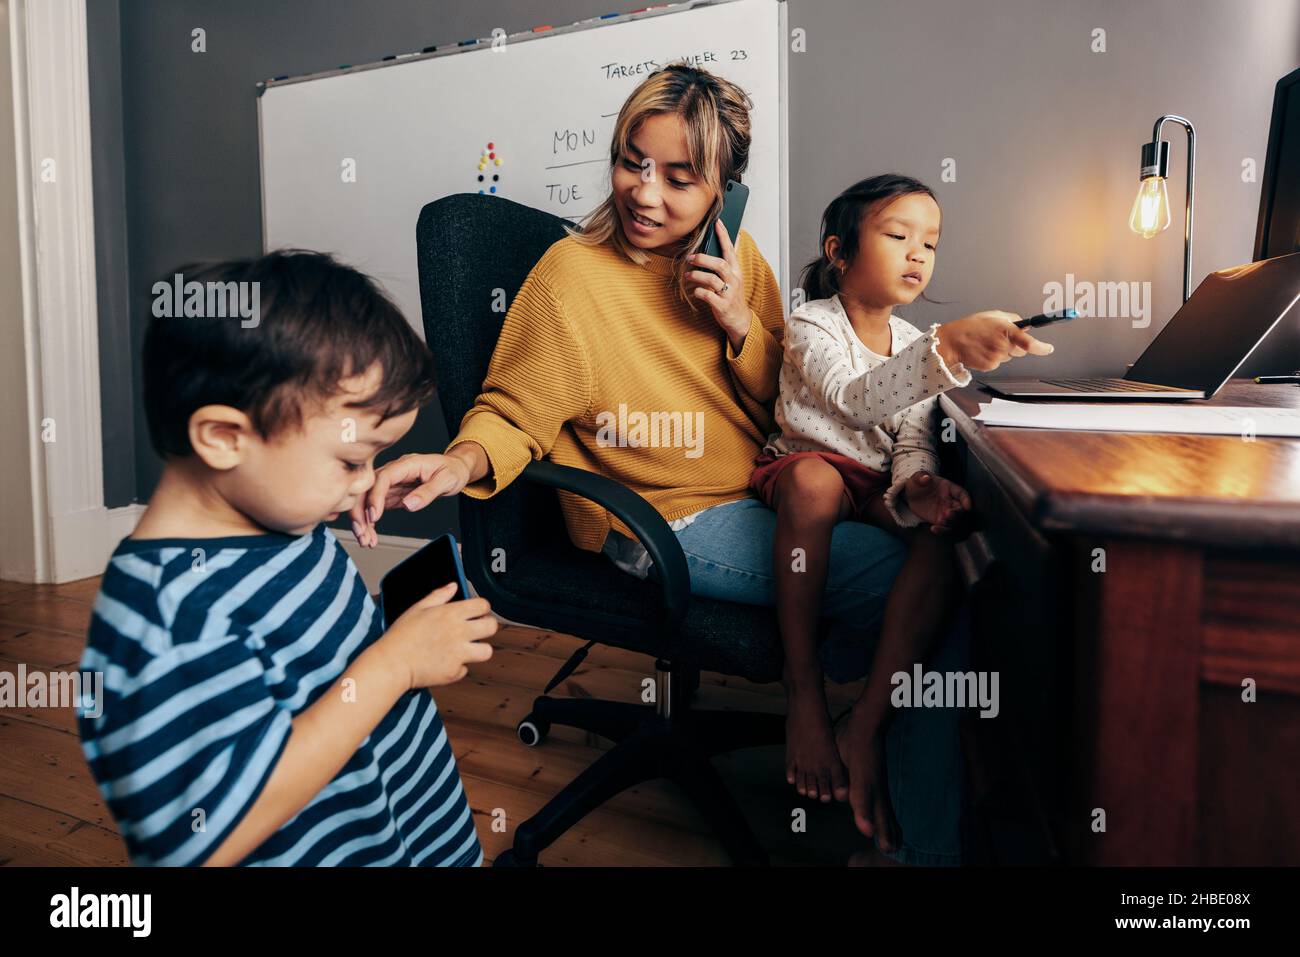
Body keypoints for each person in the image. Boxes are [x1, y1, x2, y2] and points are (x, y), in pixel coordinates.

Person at [351, 66, 1054, 866]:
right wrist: (456, 461)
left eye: (680, 177)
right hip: (656, 516)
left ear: (724, 186)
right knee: (929, 594)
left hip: (750, 493)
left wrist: (741, 326)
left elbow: (782, 407)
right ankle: (900, 822)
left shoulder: (737, 259)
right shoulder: (570, 276)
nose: (645, 193)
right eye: (632, 161)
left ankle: (879, 773)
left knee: (941, 568)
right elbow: (515, 407)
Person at [79, 250, 497, 866]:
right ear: (224, 438)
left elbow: (304, 666)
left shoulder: (282, 525)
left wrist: (393, 630)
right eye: (352, 461)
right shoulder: (165, 623)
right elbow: (206, 839)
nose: (366, 482)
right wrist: (394, 665)